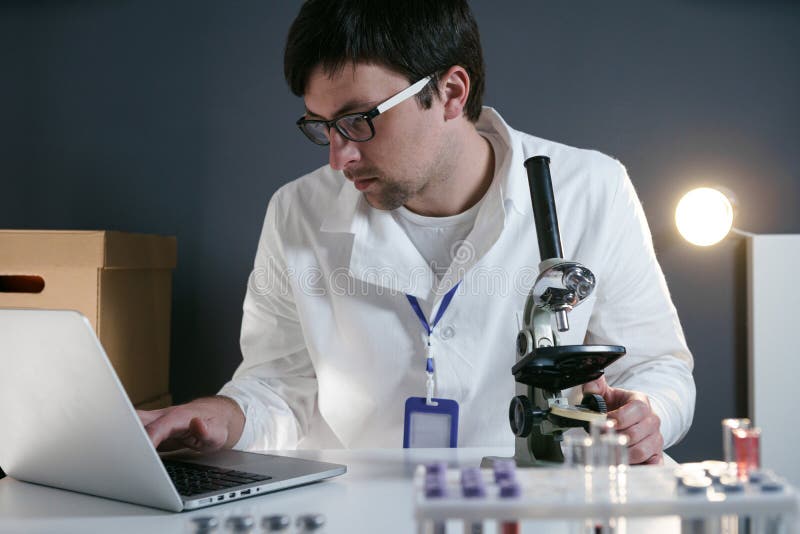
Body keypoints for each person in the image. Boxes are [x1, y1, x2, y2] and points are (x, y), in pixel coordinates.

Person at [139, 0, 695, 465]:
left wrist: (649, 413)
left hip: (533, 499)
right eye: (321, 126)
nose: (340, 157)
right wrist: (224, 416)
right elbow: (280, 388)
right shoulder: (297, 211)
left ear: (451, 92)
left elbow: (658, 367)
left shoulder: (590, 188)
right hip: (359, 509)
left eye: (360, 120)